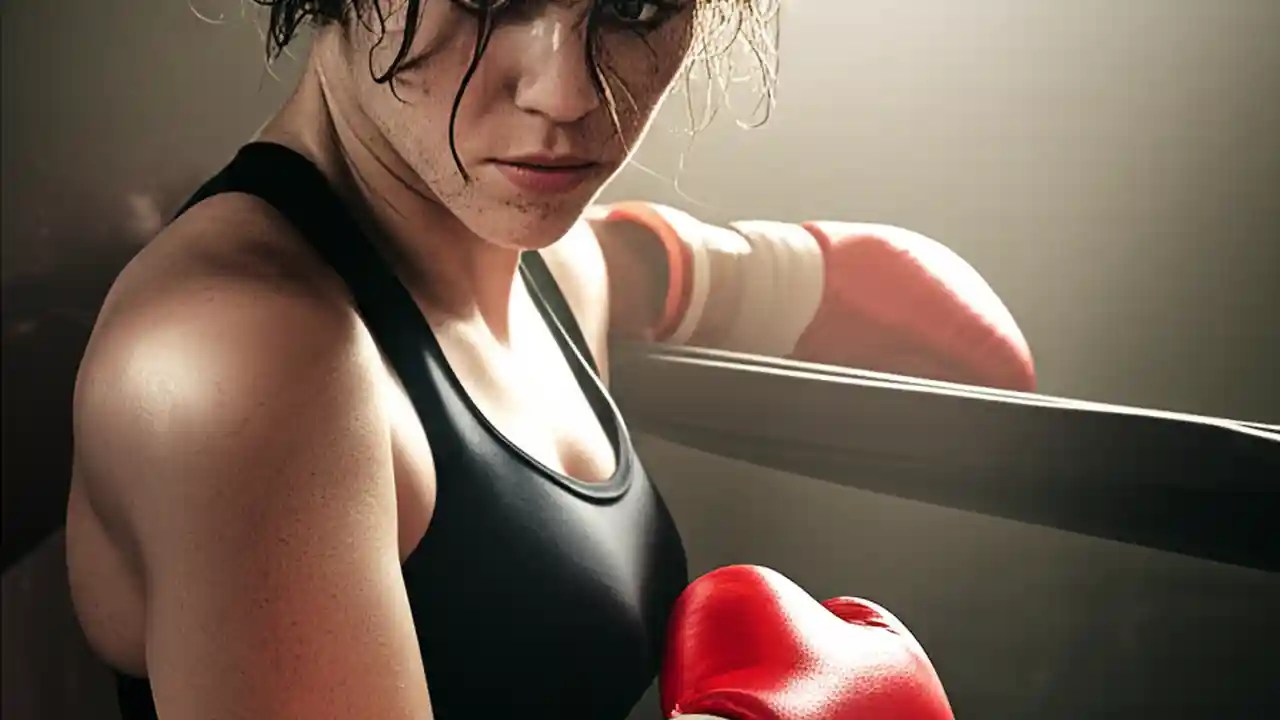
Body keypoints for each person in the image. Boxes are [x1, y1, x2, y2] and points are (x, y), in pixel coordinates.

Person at [65, 1, 1025, 718]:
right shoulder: (246, 362)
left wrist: (808, 273)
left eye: (636, 4)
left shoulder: (548, 257)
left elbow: (660, 266)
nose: (567, 93)